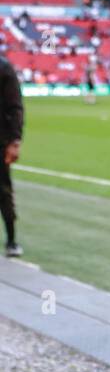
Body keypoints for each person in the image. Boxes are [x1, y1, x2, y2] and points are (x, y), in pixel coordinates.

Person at [0, 52, 22, 258]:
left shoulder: (4, 68)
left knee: (3, 192)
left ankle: (11, 240)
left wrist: (15, 141)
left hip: (0, 141)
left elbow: (15, 107)